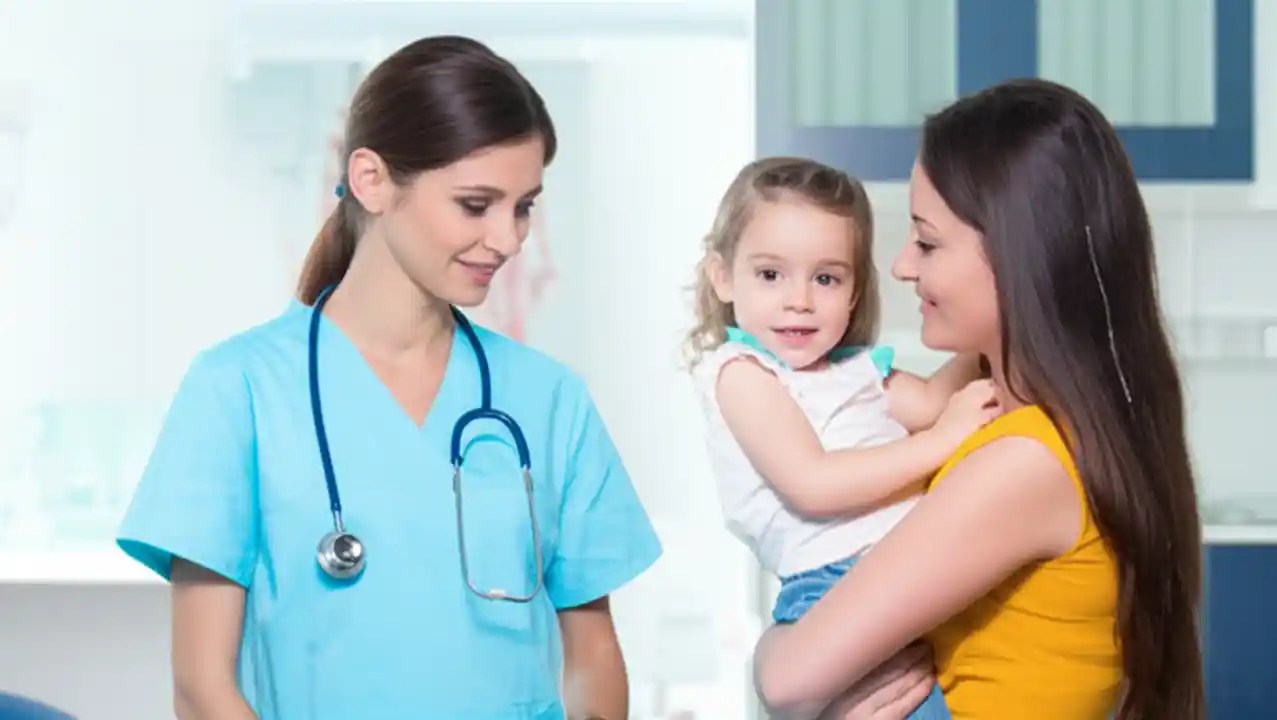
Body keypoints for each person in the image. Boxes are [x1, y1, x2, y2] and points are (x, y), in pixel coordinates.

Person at [115, 36, 662, 720]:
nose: (508, 239)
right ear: (371, 179)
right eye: (475, 204)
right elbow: (202, 688)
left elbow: (592, 658)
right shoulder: (238, 391)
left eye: (523, 206)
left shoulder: (550, 400)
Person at [751, 78, 1205, 720]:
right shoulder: (1060, 423)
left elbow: (792, 681)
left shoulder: (1024, 462)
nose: (904, 266)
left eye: (928, 242)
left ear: (1021, 255)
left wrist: (766, 653)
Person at [685, 157, 997, 719]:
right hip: (833, 588)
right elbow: (813, 483)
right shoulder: (742, 375)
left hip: (902, 568)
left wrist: (995, 332)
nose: (800, 299)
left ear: (854, 292)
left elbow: (929, 403)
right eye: (771, 274)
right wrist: (939, 444)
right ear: (723, 275)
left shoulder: (854, 369)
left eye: (826, 278)